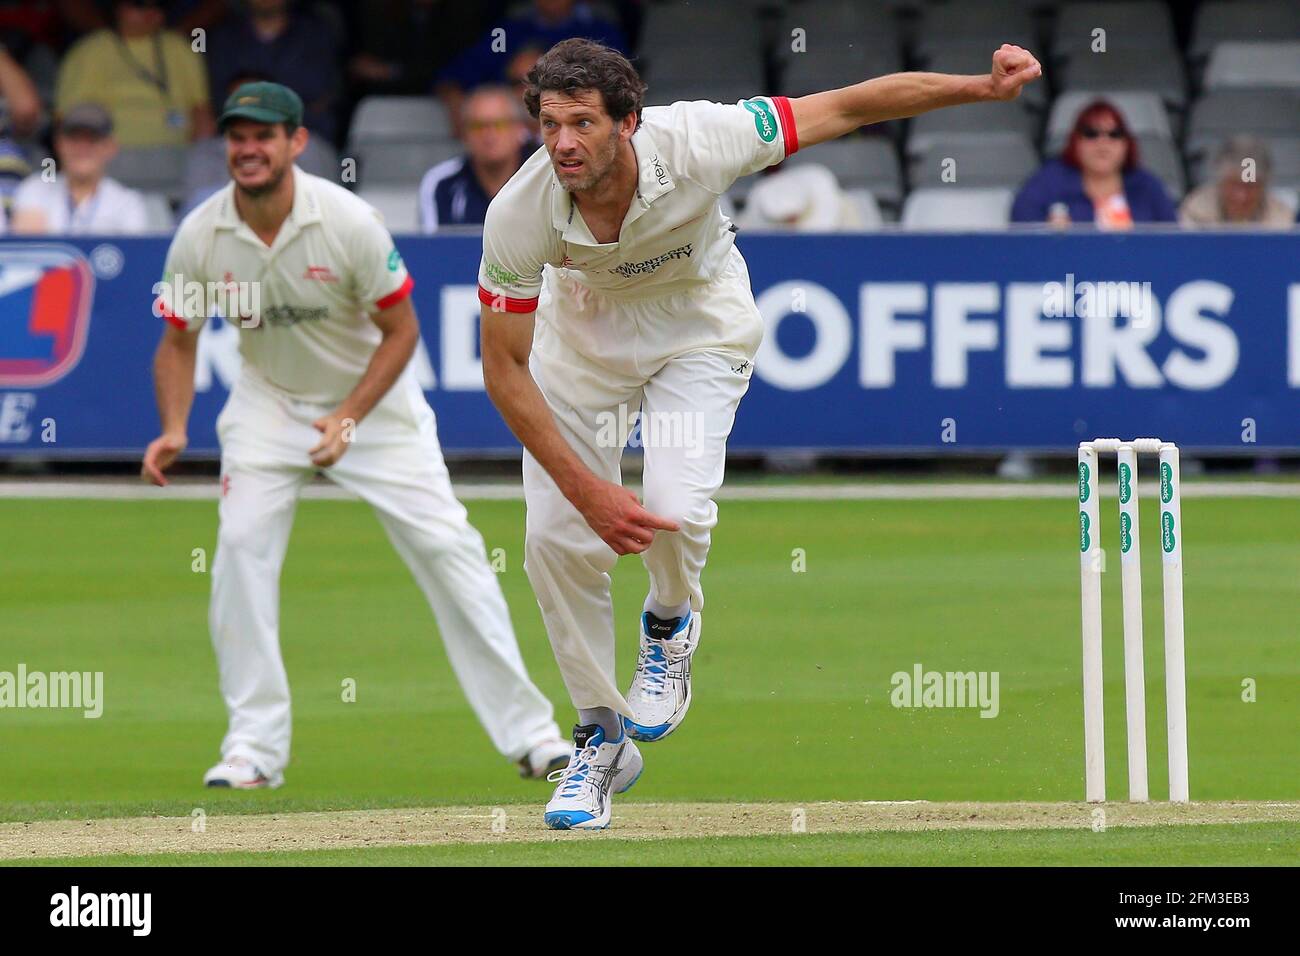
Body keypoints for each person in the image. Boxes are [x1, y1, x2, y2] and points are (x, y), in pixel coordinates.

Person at [477, 38, 1042, 829]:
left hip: (698, 326)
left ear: (629, 123)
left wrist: (980, 87)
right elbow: (504, 369)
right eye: (549, 125)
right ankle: (599, 740)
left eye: (583, 123)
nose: (563, 143)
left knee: (672, 504)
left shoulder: (703, 137)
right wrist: (588, 494)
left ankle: (669, 623)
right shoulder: (518, 210)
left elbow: (849, 105)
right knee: (551, 541)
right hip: (579, 346)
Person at [141, 81, 570, 790]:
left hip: (375, 407)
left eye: (264, 136)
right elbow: (178, 340)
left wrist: (347, 418)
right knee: (240, 555)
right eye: (238, 136)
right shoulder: (202, 233)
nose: (248, 149)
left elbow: (402, 332)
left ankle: (535, 738)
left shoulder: (347, 221)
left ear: (296, 143)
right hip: (267, 406)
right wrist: (174, 426)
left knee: (451, 552)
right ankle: (253, 749)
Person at [54, 0, 213, 149]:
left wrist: (201, 157)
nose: (151, 13)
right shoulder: (88, 50)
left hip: (176, 156)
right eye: (141, 5)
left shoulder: (180, 48)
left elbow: (201, 112)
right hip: (108, 156)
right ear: (120, 7)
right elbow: (65, 119)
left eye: (157, 6)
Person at [1012, 99, 1175, 229]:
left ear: (1127, 143)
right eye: (1091, 133)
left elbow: (1171, 242)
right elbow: (1021, 230)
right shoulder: (1048, 182)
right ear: (1076, 142)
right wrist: (1048, 236)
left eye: (1114, 134)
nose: (1103, 143)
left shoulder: (1147, 186)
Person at [206, 0, 342, 143]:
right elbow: (221, 100)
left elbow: (317, 94)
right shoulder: (223, 38)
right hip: (240, 140)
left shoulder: (316, 33)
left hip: (303, 137)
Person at [10, 102, 148, 234]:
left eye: (92, 139)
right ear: (59, 144)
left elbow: (133, 255)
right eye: (74, 139)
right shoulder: (36, 189)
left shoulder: (127, 203)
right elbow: (30, 249)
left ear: (110, 147)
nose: (82, 148)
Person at [419, 86, 533, 233]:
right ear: (464, 133)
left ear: (519, 129)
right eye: (478, 126)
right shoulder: (440, 183)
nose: (489, 135)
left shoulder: (546, 174)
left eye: (499, 124)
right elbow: (431, 249)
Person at [1179, 135, 1296, 229]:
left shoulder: (1282, 218)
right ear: (1220, 183)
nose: (1241, 196)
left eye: (1250, 186)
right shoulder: (1195, 212)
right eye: (1234, 185)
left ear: (1263, 186)